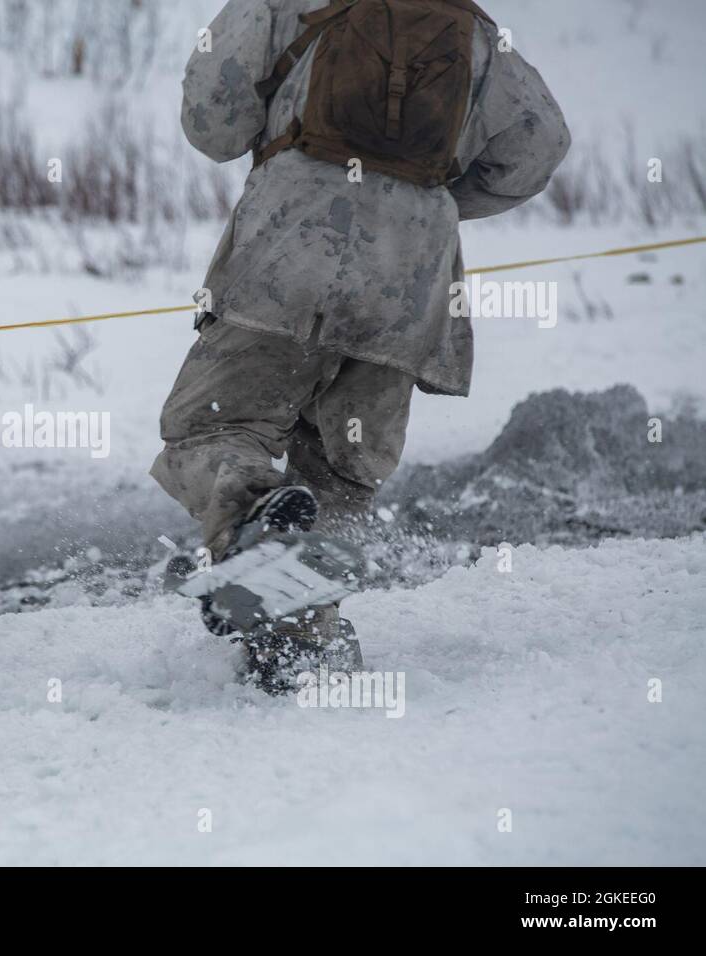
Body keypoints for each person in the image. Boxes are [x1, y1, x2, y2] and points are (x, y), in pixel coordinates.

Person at [151, 0, 570, 690]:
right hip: (408, 272)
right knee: (341, 470)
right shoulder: (474, 28)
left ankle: (253, 515)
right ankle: (299, 644)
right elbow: (541, 142)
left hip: (288, 251)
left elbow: (214, 119)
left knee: (209, 428)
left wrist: (288, 144)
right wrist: (425, 193)